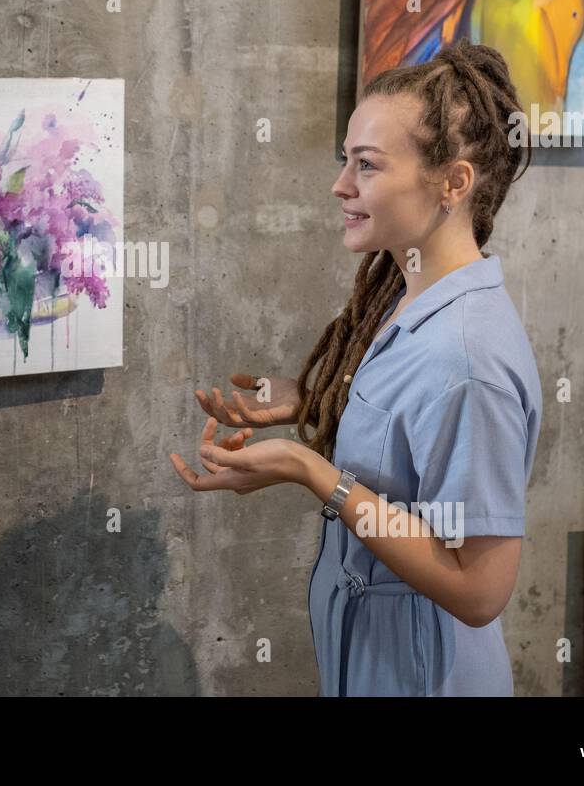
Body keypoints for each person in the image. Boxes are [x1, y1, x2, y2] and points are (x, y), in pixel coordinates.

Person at [170, 39, 542, 696]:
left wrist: (308, 469)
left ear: (453, 182)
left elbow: (481, 590)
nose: (341, 185)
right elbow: (407, 444)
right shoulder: (410, 296)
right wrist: (310, 401)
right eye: (346, 161)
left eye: (366, 166)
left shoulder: (467, 360)